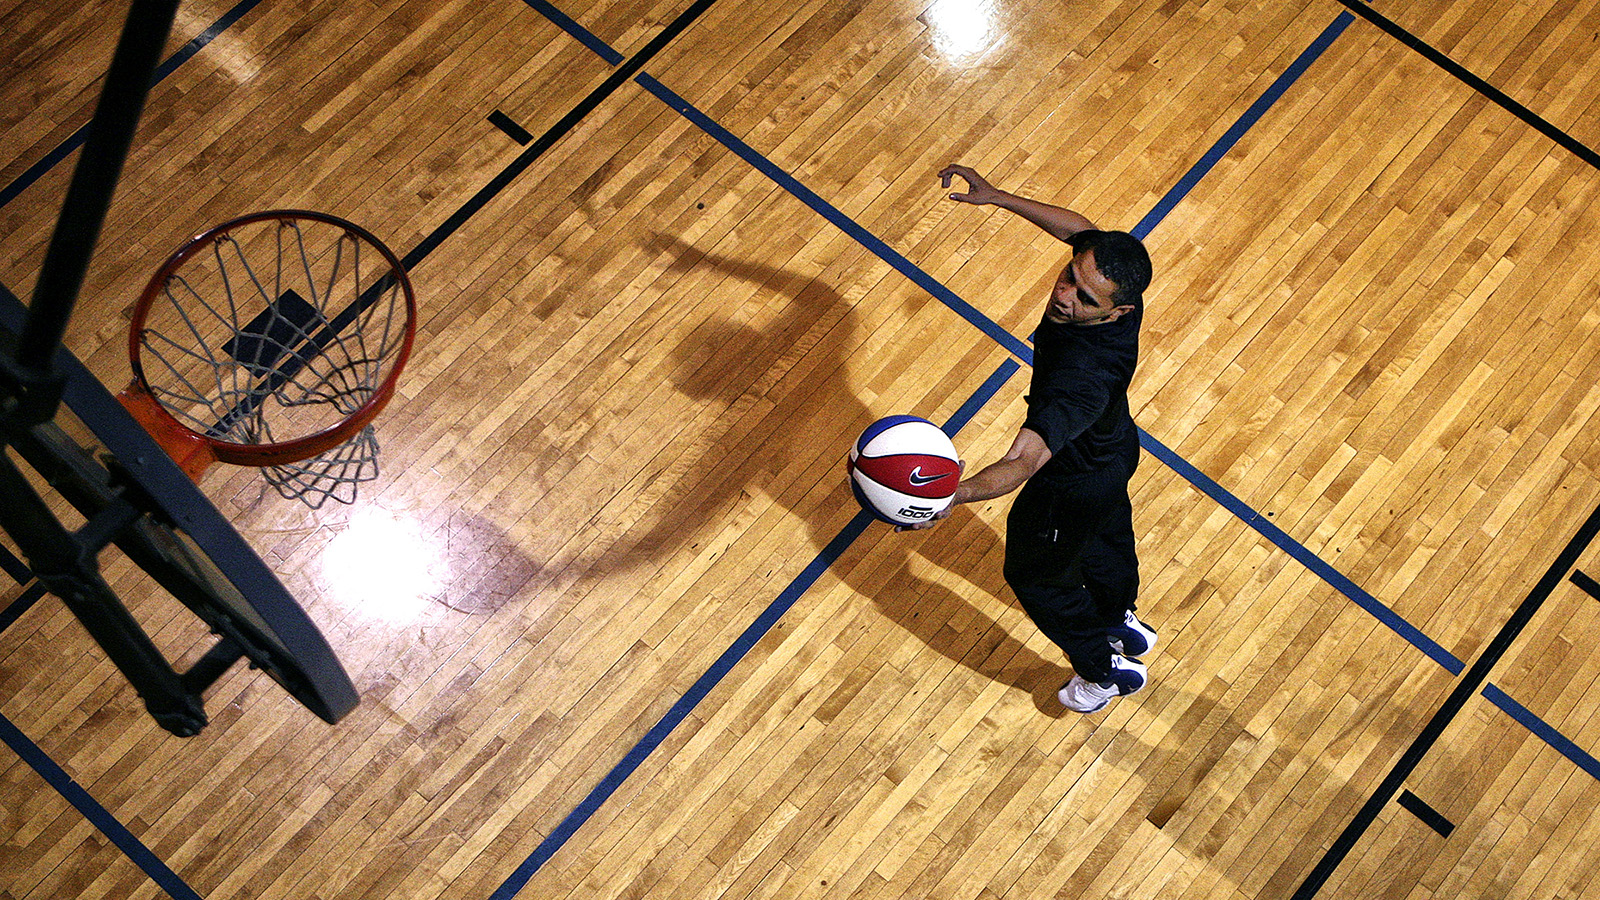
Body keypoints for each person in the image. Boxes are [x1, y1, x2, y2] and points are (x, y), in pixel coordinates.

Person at [916, 164, 1158, 713]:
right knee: (1106, 539)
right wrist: (999, 197)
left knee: (1035, 576)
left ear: (1117, 311)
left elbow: (1024, 459)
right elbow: (1079, 229)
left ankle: (1102, 671)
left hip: (1070, 477)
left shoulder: (1081, 378)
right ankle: (1119, 619)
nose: (1065, 295)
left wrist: (955, 493)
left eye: (1084, 298)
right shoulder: (1116, 282)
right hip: (1114, 448)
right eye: (1069, 276)